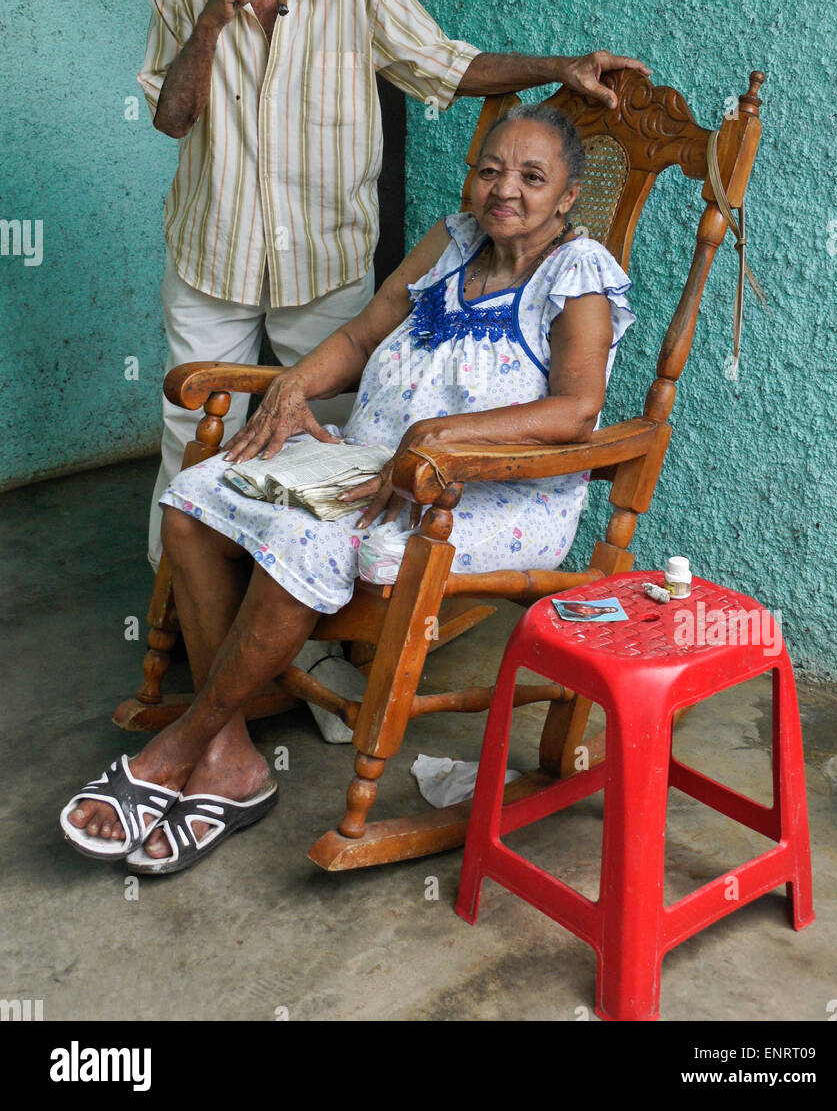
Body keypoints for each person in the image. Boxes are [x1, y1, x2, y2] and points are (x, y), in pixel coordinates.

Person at [61, 104, 636, 874]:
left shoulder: (577, 274)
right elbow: (365, 336)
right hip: (376, 468)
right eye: (491, 169)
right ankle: (230, 754)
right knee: (198, 497)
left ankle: (185, 742)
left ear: (567, 197)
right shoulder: (452, 240)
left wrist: (436, 440)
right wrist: (293, 387)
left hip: (488, 498)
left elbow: (576, 409)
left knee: (307, 535)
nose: (505, 190)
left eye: (533, 177)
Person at [138, 0, 651, 569]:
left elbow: (448, 65)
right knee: (192, 442)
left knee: (322, 439)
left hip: (325, 259)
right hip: (213, 254)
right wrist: (214, 17)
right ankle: (187, 609)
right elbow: (173, 118)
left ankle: (289, 609)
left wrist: (558, 67)